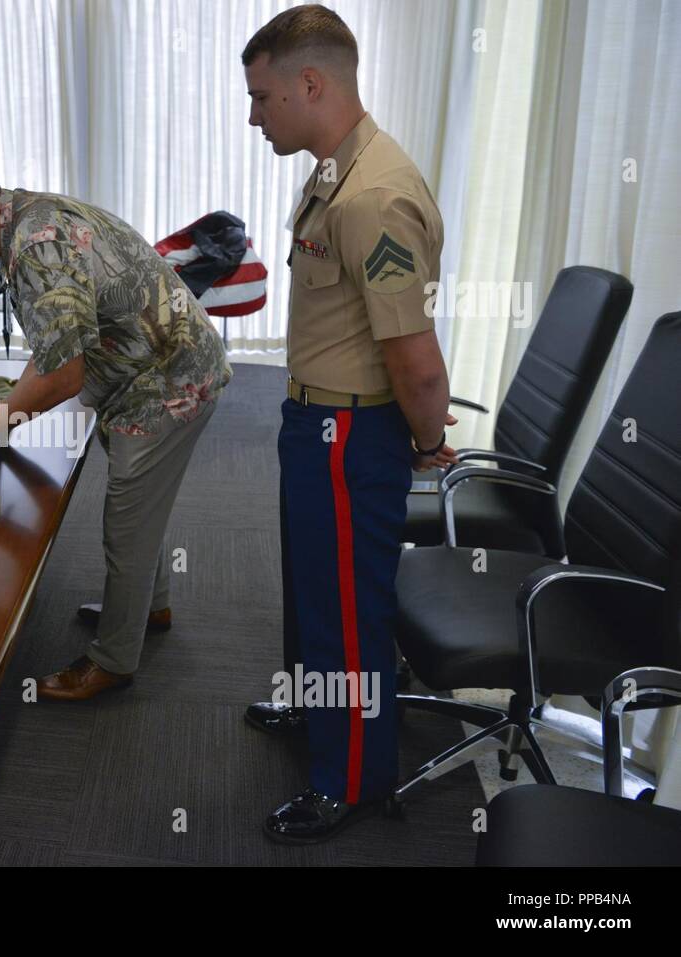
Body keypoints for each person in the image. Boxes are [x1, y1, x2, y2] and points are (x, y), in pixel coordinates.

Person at [240, 5, 460, 842]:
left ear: (311, 83)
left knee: (347, 613)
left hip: (350, 435)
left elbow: (415, 359)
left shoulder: (371, 195)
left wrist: (432, 441)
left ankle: (353, 777)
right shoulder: (337, 168)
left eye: (263, 98)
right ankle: (313, 710)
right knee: (312, 595)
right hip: (317, 420)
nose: (255, 115)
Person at [0, 153, 232, 700]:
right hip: (160, 365)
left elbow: (62, 375)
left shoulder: (35, 246)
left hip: (168, 384)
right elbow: (56, 343)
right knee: (145, 503)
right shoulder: (26, 214)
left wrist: (0, 424)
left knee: (126, 518)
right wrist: (9, 407)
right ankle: (150, 606)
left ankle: (113, 660)